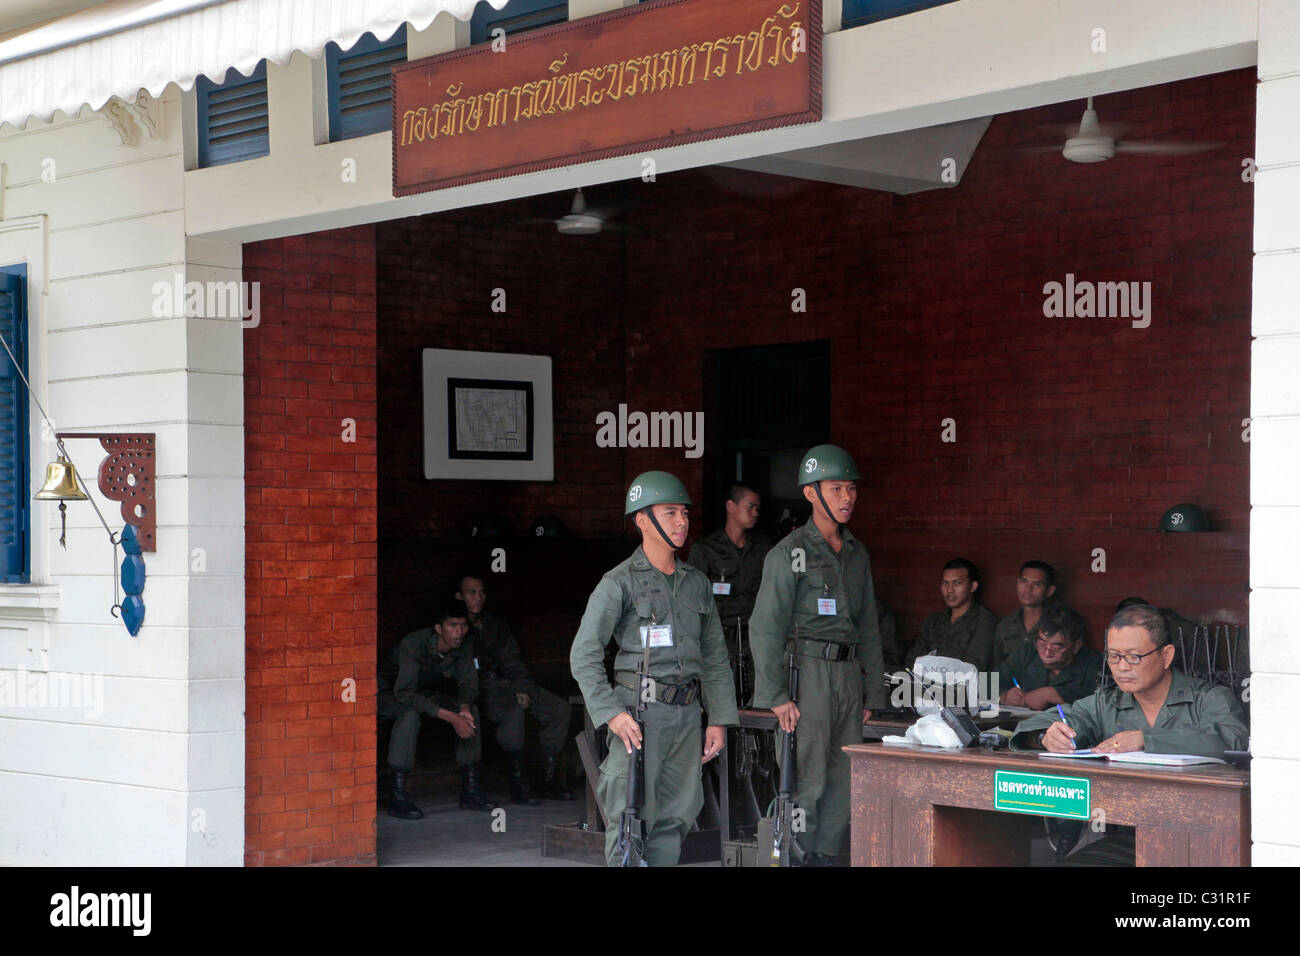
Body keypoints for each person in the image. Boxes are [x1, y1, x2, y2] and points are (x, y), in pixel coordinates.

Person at [569, 471, 739, 866]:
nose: (682, 522)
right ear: (642, 519)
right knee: (629, 820)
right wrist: (611, 713)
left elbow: (715, 656)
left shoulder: (697, 583)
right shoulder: (619, 583)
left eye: (684, 513)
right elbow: (584, 653)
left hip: (685, 715)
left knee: (676, 817)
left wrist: (718, 718)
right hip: (639, 717)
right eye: (670, 513)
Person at [749, 444, 885, 866]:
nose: (848, 497)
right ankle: (795, 856)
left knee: (844, 779)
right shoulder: (789, 554)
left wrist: (872, 693)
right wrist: (775, 695)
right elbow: (765, 627)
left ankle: (824, 856)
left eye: (852, 488)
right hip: (806, 676)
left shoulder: (857, 553)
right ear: (811, 493)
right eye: (836, 488)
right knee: (806, 779)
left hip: (847, 676)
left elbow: (868, 628)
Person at [1009, 603, 1248, 756]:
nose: (1122, 667)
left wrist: (1146, 741)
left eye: (1134, 657)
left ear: (1166, 656)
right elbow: (1051, 722)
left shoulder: (1210, 699)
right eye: (1114, 656)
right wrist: (1046, 737)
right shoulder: (1108, 702)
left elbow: (1230, 744)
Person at [457, 574, 575, 804]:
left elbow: (511, 659)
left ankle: (546, 780)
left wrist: (522, 687)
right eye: (472, 592)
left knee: (559, 709)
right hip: (481, 690)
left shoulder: (493, 625)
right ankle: (519, 785)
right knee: (514, 714)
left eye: (481, 592)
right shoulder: (456, 626)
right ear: (459, 597)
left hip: (509, 684)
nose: (478, 597)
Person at [378, 600, 495, 819]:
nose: (459, 631)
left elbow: (468, 685)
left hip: (426, 694)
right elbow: (405, 693)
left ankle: (470, 790)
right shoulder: (414, 643)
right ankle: (398, 796)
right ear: (438, 628)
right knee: (409, 715)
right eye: (452, 625)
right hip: (390, 693)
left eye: (463, 625)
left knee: (471, 714)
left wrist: (464, 708)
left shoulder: (464, 644)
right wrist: (451, 717)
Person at [686, 482, 773, 705]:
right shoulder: (705, 550)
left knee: (758, 703)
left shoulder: (764, 549)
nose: (755, 513)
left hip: (754, 640)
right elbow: (694, 603)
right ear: (731, 507)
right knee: (718, 702)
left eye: (757, 508)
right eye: (750, 507)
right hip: (719, 641)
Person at [998, 604, 1101, 709]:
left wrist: (1052, 694)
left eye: (1056, 646)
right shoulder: (1028, 652)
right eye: (1042, 643)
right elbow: (985, 682)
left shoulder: (1094, 664)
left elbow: (1105, 702)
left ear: (1076, 646)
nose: (1046, 653)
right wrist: (1003, 697)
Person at [904, 558, 997, 671]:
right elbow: (911, 660)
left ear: (973, 586)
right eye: (945, 583)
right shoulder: (933, 621)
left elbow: (974, 666)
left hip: (961, 686)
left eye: (957, 583)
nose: (949, 590)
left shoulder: (985, 621)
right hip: (922, 684)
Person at [993, 561, 1058, 668]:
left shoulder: (1060, 624)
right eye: (1024, 582)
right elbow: (994, 667)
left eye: (1036, 584)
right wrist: (995, 685)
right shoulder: (1005, 625)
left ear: (1049, 591)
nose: (1028, 589)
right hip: (1010, 684)